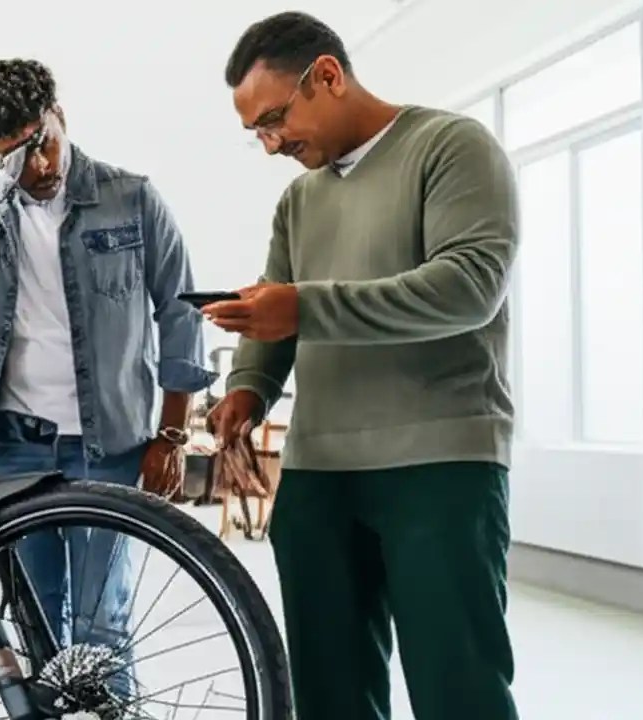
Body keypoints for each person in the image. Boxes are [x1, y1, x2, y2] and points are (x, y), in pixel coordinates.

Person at [206, 11, 519, 720]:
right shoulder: (298, 200)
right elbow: (273, 313)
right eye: (256, 130)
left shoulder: (452, 147)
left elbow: (469, 287)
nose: (270, 143)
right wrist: (247, 389)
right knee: (328, 695)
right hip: (318, 476)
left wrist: (304, 308)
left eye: (275, 119)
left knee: (457, 689)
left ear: (328, 75)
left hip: (440, 464)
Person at [0, 58, 216, 695]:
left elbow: (181, 311)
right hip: (17, 444)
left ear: (60, 117)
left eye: (42, 142)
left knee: (102, 628)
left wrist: (172, 436)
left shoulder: (134, 197)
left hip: (114, 448)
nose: (37, 167)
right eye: (15, 156)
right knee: (37, 622)